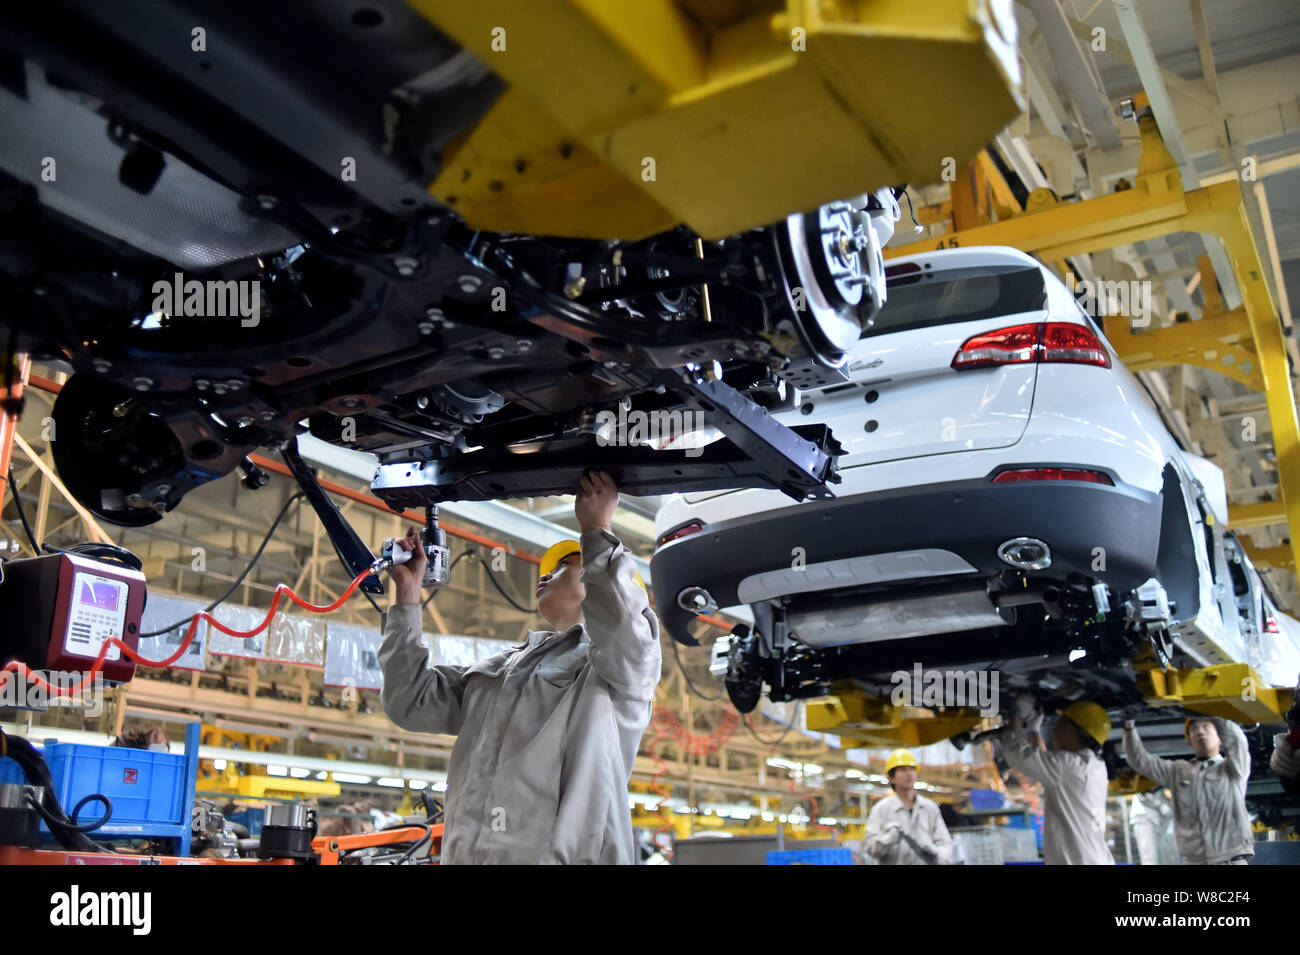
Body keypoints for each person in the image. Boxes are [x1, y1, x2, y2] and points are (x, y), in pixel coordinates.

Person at [378, 470, 662, 864]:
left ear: (595, 578)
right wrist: (407, 597)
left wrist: (596, 529)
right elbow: (409, 701)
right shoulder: (503, 667)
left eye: (564, 564)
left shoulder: (614, 673)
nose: (545, 574)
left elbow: (622, 628)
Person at [1123, 716, 1253, 865]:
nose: (1200, 732)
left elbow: (1237, 741)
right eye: (1194, 729)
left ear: (1220, 738)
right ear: (1189, 741)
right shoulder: (1178, 771)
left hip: (1231, 859)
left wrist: (1212, 712)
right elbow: (1141, 761)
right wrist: (1129, 727)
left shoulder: (1234, 770)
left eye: (1206, 727)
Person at [1000, 697, 1114, 865]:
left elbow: (1015, 752)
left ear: (1068, 730)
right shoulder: (1094, 767)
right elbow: (1047, 766)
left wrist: (1017, 717)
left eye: (1058, 726)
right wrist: (1034, 731)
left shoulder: (1071, 768)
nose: (1054, 732)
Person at [863, 748, 954, 864]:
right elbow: (870, 847)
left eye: (912, 769)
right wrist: (887, 840)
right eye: (902, 770)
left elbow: (945, 843)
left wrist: (937, 853)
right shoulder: (881, 810)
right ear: (891, 778)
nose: (909, 773)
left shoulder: (930, 808)